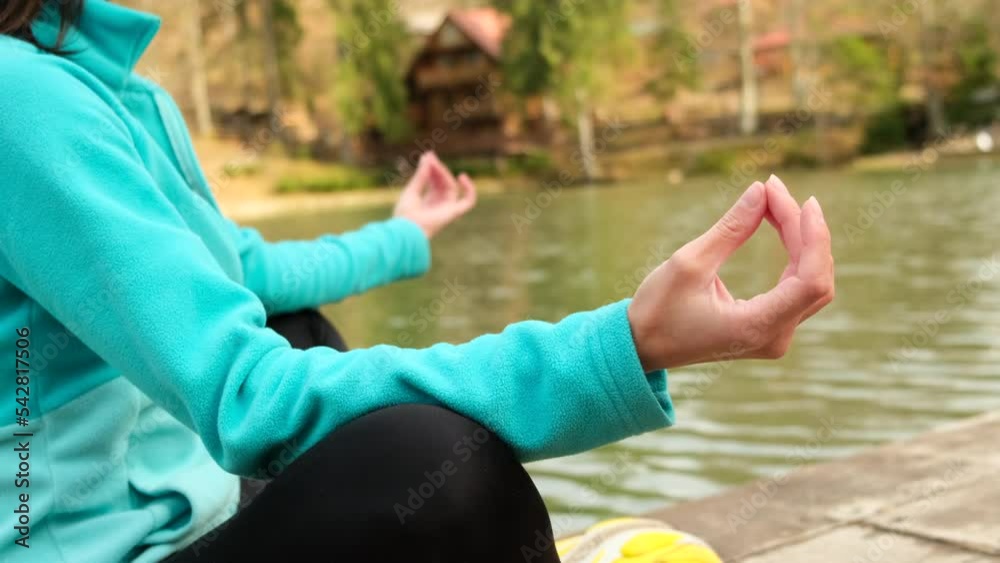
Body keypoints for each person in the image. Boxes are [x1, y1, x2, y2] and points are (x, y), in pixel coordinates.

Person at [0, 1, 835, 562]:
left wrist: (404, 236)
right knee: (435, 466)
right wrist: (627, 342)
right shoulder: (19, 99)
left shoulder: (122, 92)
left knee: (297, 325)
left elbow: (242, 274)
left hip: (206, 504)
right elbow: (247, 393)